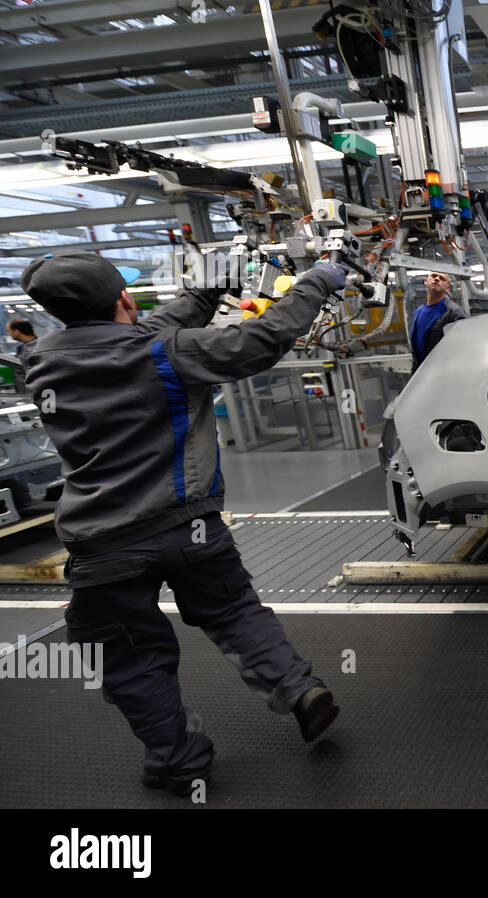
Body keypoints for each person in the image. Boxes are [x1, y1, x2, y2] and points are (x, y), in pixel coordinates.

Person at [21, 250, 349, 796]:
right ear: (123, 298)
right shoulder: (168, 352)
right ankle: (296, 688)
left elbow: (140, 335)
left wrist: (206, 291)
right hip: (190, 528)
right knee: (234, 611)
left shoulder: (40, 360)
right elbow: (262, 338)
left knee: (130, 659)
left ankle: (180, 761)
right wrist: (317, 282)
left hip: (103, 545)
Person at [410, 271, 467, 370]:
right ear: (426, 281)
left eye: (442, 278)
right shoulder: (418, 312)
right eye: (433, 276)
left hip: (443, 373)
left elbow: (463, 349)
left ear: (447, 288)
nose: (437, 279)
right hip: (420, 373)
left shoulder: (455, 313)